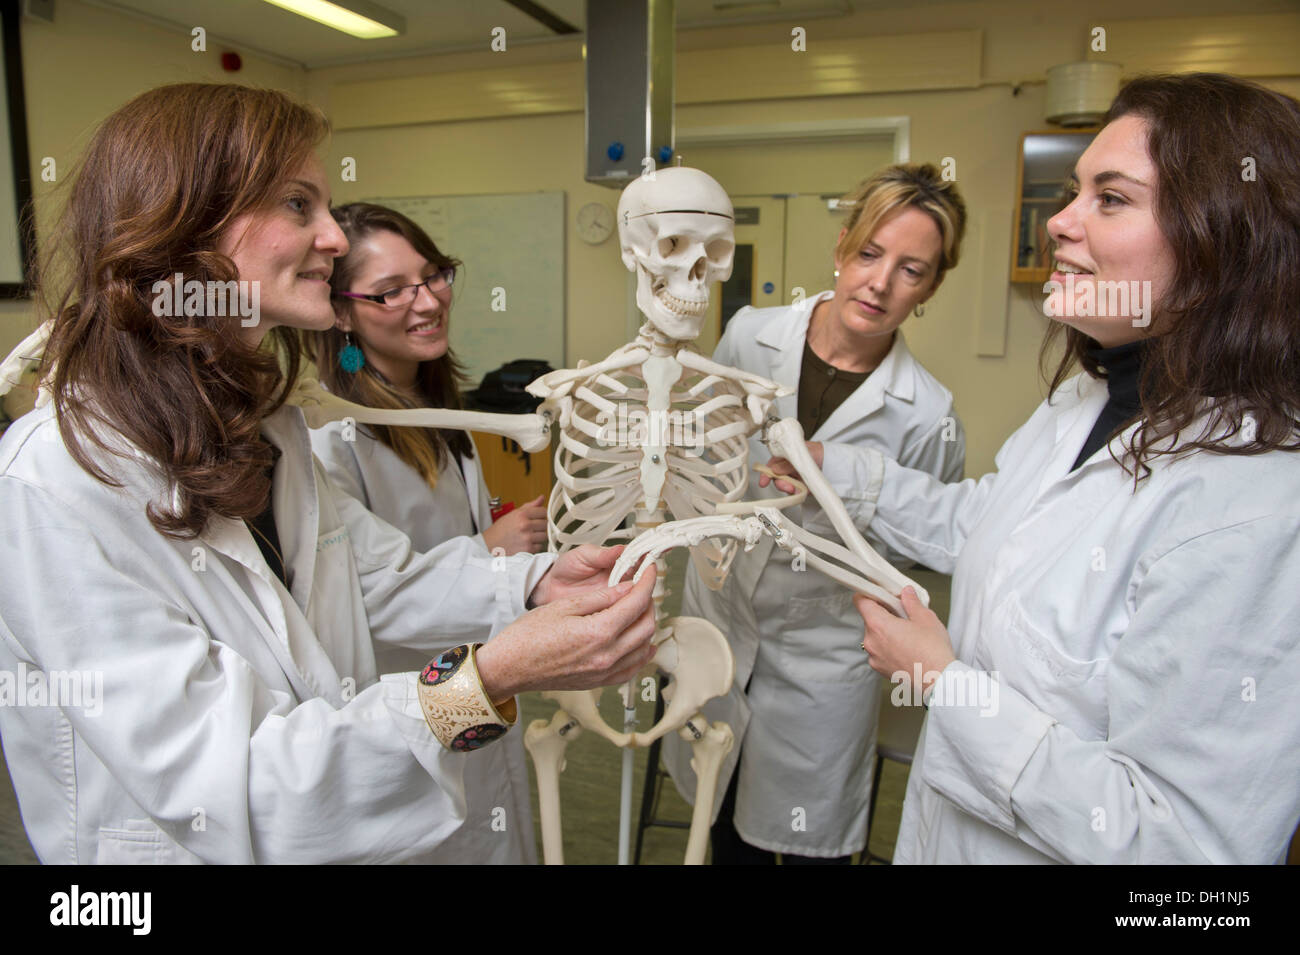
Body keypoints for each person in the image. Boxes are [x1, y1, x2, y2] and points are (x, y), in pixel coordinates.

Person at [0, 83, 656, 864]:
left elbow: (376, 577)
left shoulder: (263, 428)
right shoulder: (56, 486)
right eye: (297, 204)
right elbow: (243, 787)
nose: (335, 238)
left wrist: (537, 584)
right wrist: (486, 679)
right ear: (186, 223)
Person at [771, 73, 1300, 863]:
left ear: (1225, 238)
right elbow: (986, 523)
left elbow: (1186, 852)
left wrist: (946, 684)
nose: (1058, 222)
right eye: (1073, 192)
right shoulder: (1086, 400)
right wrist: (831, 469)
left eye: (1110, 198)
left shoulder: (1256, 507)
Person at [664, 163, 968, 864]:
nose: (880, 283)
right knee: (717, 822)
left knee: (807, 846)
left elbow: (914, 549)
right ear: (841, 248)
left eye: (911, 270)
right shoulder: (750, 336)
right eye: (869, 253)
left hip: (822, 658)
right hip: (719, 622)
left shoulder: (928, 414)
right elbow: (707, 453)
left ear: (930, 287)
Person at [303, 203, 548, 863]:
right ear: (342, 313)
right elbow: (362, 591)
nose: (430, 300)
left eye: (433, 275)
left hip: (476, 680)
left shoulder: (437, 406)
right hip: (406, 697)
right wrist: (490, 552)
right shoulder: (328, 439)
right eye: (391, 291)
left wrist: (498, 538)